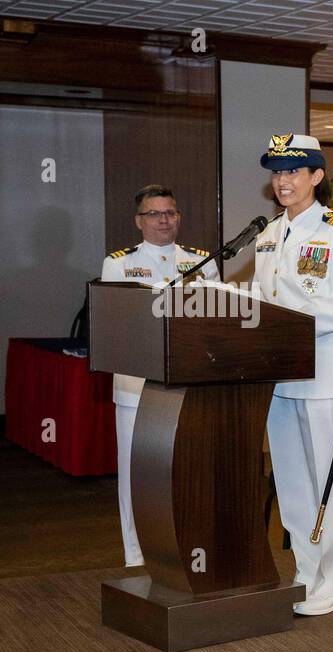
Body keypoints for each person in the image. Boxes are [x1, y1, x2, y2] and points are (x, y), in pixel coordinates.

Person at [254, 133, 333, 616]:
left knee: (331, 480)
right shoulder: (266, 234)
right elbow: (261, 297)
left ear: (317, 176)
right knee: (294, 479)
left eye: (294, 171)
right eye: (277, 171)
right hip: (279, 377)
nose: (283, 180)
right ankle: (306, 570)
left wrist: (283, 320)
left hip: (323, 373)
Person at [101, 184, 219, 567]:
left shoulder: (203, 261)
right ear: (139, 221)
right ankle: (136, 555)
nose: (164, 220)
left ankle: (182, 551)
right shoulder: (118, 264)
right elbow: (118, 326)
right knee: (137, 475)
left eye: (170, 213)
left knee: (184, 471)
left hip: (187, 386)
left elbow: (215, 318)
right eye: (154, 214)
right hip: (136, 387)